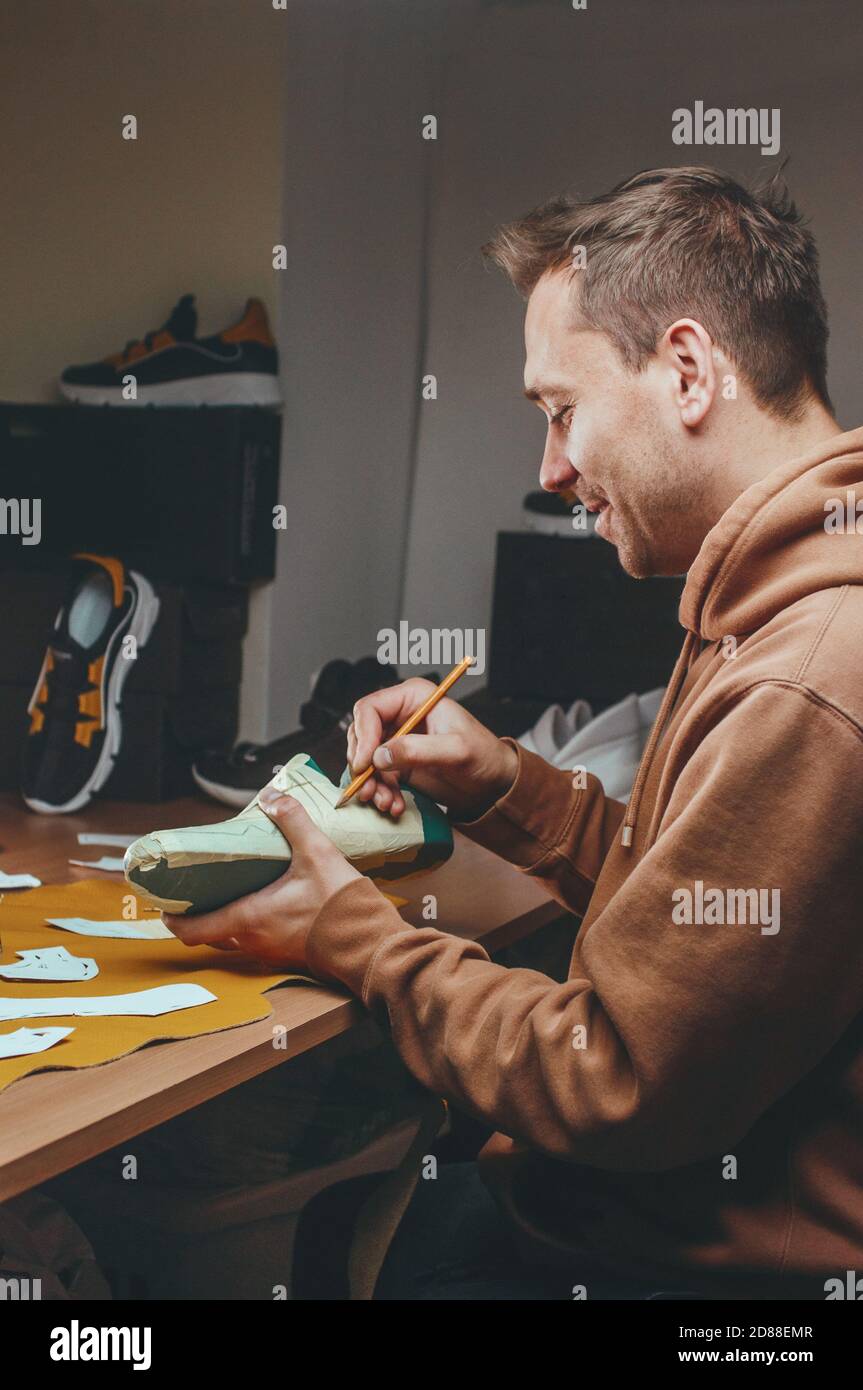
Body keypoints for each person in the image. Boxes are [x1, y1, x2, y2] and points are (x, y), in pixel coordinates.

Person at [170, 167, 863, 1300]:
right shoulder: (778, 596)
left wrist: (353, 936)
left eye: (557, 410)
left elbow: (613, 1075)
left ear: (687, 371)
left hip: (685, 1271)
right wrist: (506, 784)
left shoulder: (808, 668)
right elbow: (700, 926)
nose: (550, 472)